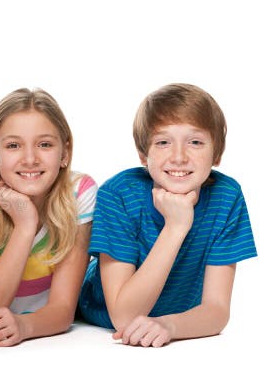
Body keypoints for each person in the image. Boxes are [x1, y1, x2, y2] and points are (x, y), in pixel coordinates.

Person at [78, 83, 257, 347]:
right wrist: (175, 227)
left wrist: (169, 325)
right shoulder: (117, 194)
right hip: (100, 310)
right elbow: (124, 317)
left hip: (174, 313)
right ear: (143, 153)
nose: (179, 157)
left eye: (195, 142)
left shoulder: (227, 196)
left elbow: (217, 310)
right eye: (163, 142)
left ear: (216, 153)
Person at [0, 88, 96, 346]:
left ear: (65, 153)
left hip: (38, 316)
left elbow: (63, 308)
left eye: (45, 144)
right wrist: (25, 225)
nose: (30, 159)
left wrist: (25, 326)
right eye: (13, 146)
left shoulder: (79, 193)